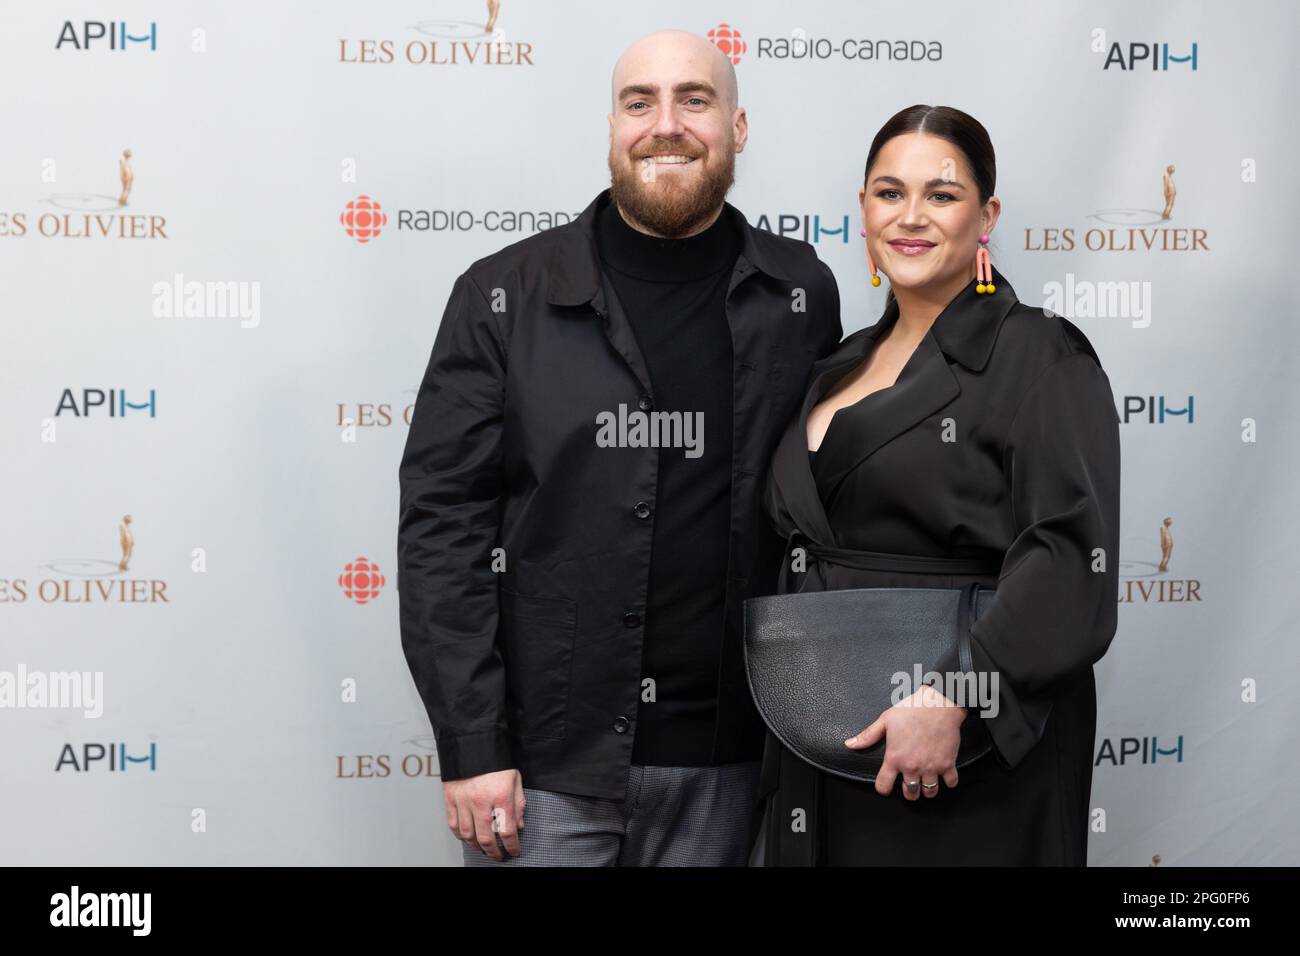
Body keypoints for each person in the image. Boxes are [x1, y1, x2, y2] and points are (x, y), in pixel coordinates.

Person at [397, 29, 841, 866]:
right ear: (611, 126)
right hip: (544, 769)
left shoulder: (798, 294)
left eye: (695, 100)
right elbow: (441, 534)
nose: (665, 124)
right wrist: (473, 743)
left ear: (738, 129)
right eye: (641, 102)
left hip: (732, 763)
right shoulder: (503, 296)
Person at [752, 105, 1121, 866]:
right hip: (818, 734)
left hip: (959, 757)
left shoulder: (1041, 354)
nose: (911, 216)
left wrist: (957, 693)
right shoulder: (840, 361)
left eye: (942, 196)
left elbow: (1069, 562)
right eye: (889, 194)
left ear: (986, 216)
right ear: (862, 210)